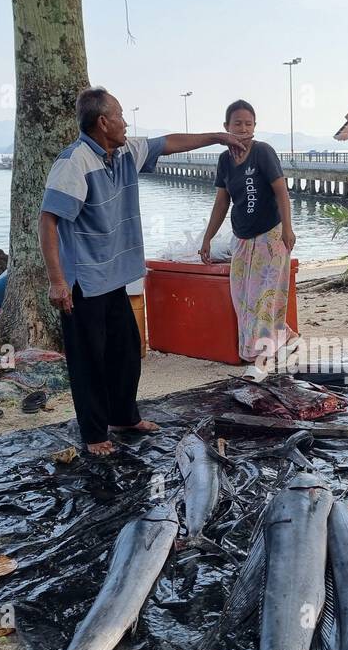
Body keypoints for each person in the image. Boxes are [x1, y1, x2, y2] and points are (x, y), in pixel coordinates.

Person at [39, 87, 249, 456]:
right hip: (82, 283)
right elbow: (48, 222)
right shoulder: (74, 163)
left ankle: (124, 416)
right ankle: (93, 434)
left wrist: (217, 137)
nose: (126, 121)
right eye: (120, 115)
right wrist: (57, 281)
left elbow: (170, 142)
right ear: (103, 122)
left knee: (125, 350)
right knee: (88, 361)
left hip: (113, 277)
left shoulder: (122, 152)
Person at [199, 99, 299, 373]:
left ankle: (260, 355)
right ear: (226, 127)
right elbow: (222, 202)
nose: (243, 128)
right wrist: (207, 238)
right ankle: (284, 336)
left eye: (248, 123)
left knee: (264, 296)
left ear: (255, 126)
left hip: (271, 235)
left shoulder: (263, 152)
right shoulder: (224, 161)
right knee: (242, 296)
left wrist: (288, 229)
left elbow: (281, 191)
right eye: (237, 123)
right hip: (242, 238)